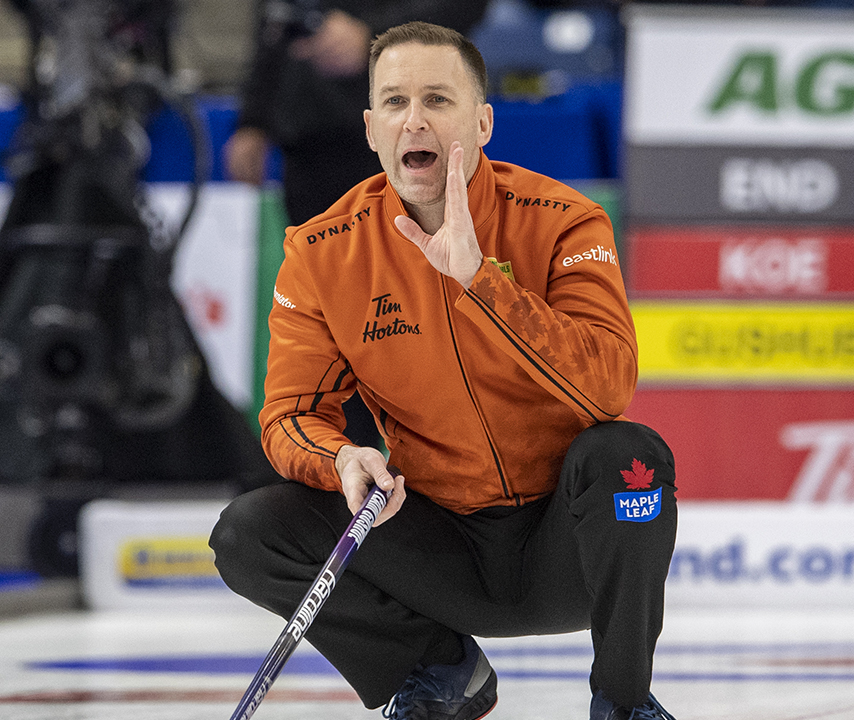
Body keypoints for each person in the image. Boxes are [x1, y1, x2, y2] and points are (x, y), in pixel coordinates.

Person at [209, 21, 679, 720]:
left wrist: (480, 281)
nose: (415, 121)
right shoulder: (321, 252)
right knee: (249, 532)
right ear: (370, 128)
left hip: (570, 549)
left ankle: (623, 700)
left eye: (438, 99)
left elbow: (608, 384)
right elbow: (287, 416)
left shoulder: (564, 221)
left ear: (482, 121)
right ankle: (437, 668)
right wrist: (340, 458)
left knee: (629, 455)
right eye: (395, 103)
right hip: (440, 548)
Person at [225, 1, 491, 448]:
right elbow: (279, 18)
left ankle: (451, 462)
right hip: (310, 149)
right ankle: (344, 462)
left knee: (424, 304)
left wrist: (375, 34)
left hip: (408, 143)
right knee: (331, 315)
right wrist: (254, 117)